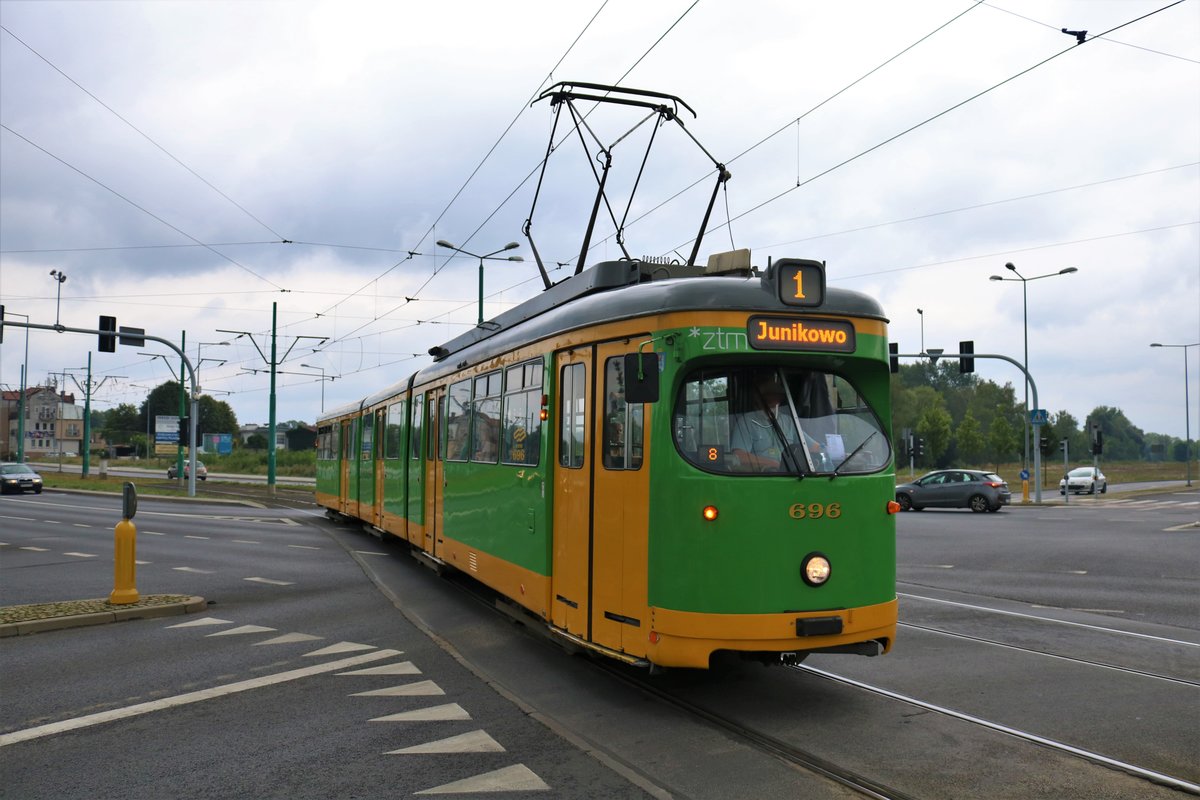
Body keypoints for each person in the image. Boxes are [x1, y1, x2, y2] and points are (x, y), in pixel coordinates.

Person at [730, 374, 801, 472]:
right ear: (758, 399)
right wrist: (774, 464)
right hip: (761, 477)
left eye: (775, 396)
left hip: (791, 475)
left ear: (780, 399)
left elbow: (812, 446)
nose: (772, 400)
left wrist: (825, 449)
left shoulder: (788, 421)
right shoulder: (746, 421)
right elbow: (739, 456)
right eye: (767, 398)